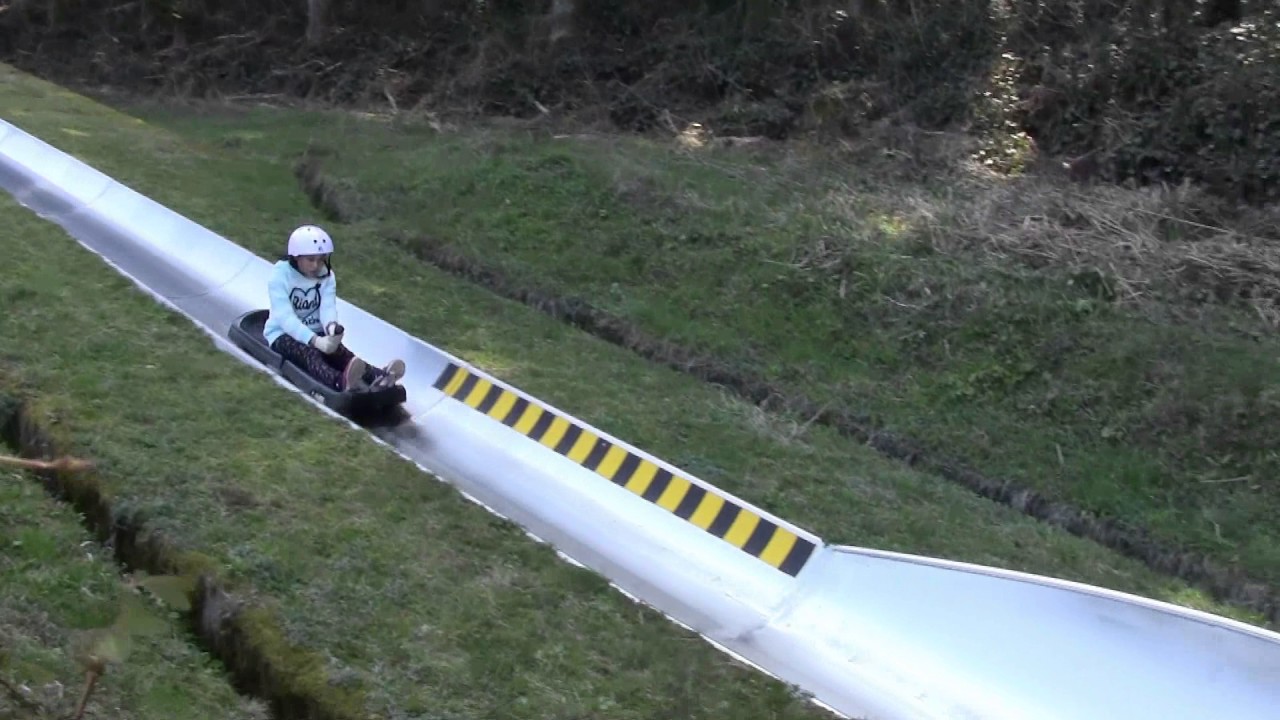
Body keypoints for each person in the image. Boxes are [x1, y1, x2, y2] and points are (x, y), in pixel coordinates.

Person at [262, 224, 405, 393]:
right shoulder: (280, 276)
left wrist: (331, 328)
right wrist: (315, 341)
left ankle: (378, 376)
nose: (316, 265)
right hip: (282, 334)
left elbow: (327, 306)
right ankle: (339, 382)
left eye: (321, 259)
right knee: (311, 354)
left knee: (341, 353)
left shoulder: (326, 276)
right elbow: (285, 318)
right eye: (310, 260)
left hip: (317, 332)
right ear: (296, 257)